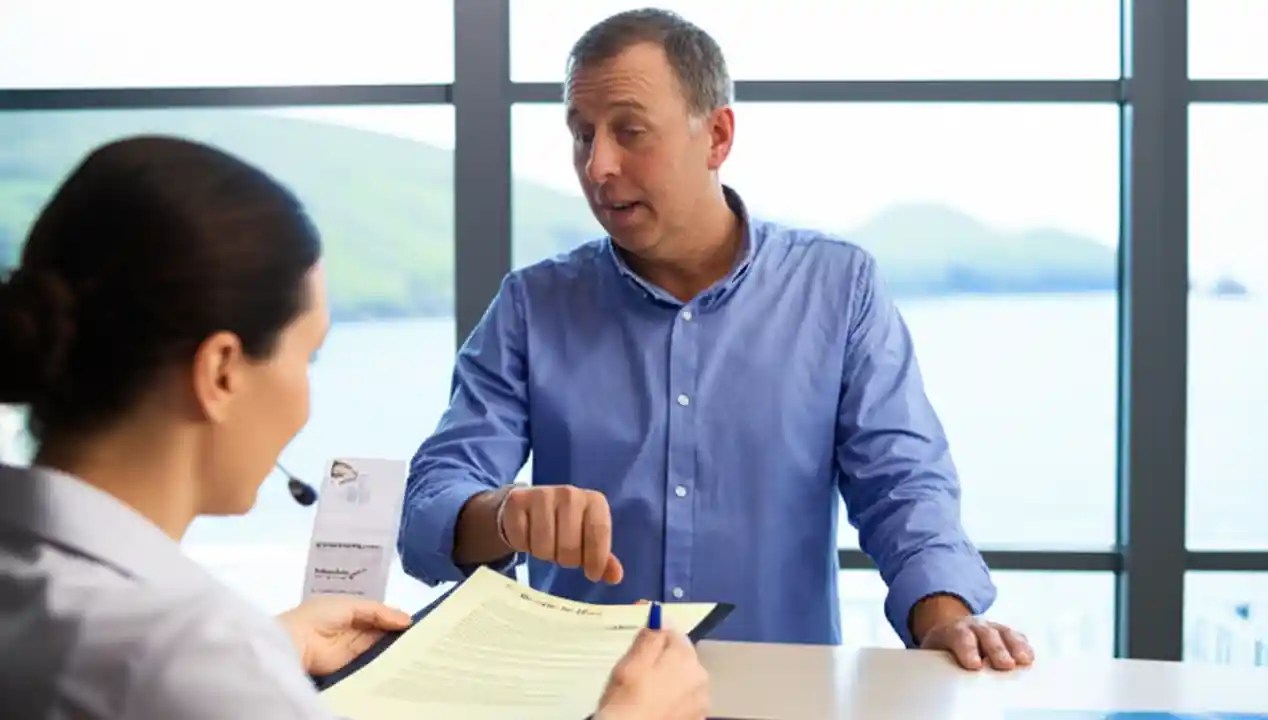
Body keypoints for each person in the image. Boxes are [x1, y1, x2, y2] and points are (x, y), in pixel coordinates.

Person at [399, 8, 1035, 672]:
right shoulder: (532, 305)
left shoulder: (838, 288)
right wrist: (505, 515)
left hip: (785, 702)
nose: (599, 166)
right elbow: (431, 506)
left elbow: (903, 484)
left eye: (630, 131)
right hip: (589, 702)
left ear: (718, 135)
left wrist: (945, 621)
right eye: (581, 135)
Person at [0, 135, 709, 719]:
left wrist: (267, 646)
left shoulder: (106, 621)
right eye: (308, 356)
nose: (305, 401)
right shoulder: (188, 661)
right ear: (220, 372)